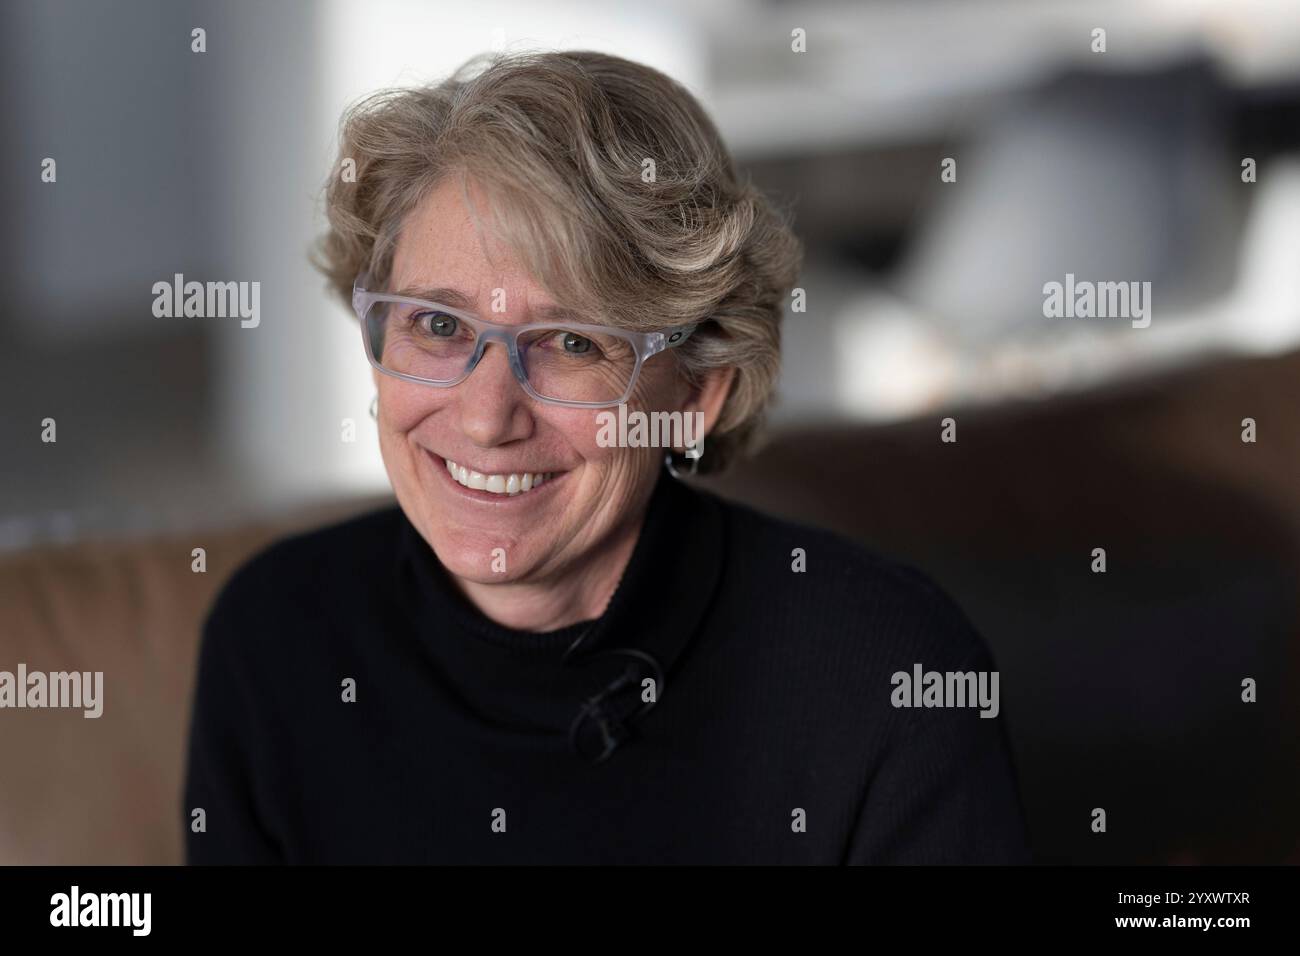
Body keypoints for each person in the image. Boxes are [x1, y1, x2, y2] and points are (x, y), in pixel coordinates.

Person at [182, 49, 1030, 864]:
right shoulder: (275, 640)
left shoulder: (890, 679)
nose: (486, 418)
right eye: (437, 325)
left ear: (698, 394)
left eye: (571, 343)